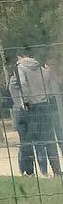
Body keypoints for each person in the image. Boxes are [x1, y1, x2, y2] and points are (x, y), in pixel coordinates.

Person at [8, 49, 62, 177]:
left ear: (20, 57)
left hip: (30, 107)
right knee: (49, 140)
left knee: (27, 141)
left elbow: (23, 84)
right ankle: (57, 170)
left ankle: (29, 172)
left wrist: (26, 101)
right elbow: (49, 87)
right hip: (44, 106)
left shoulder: (20, 68)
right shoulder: (42, 69)